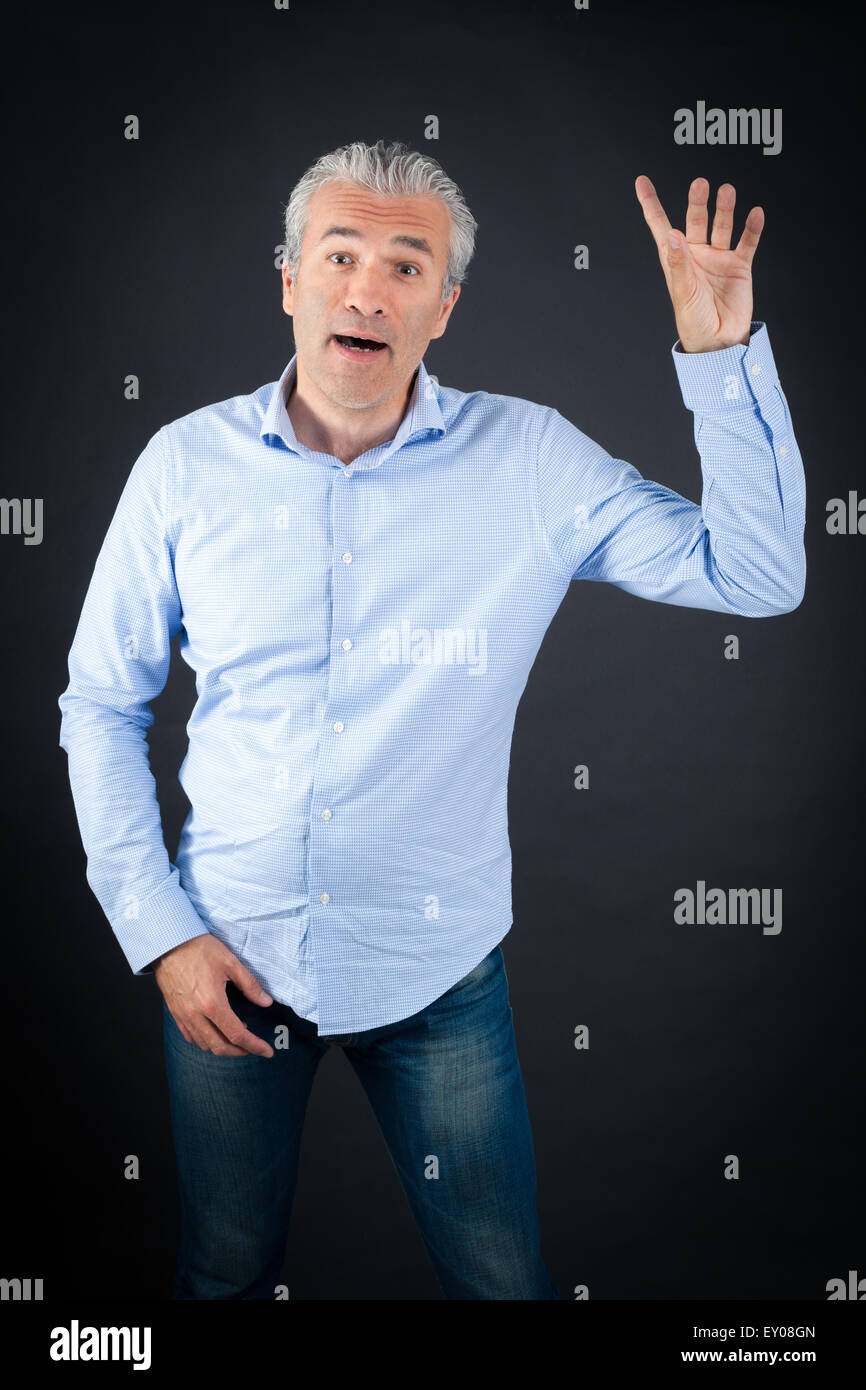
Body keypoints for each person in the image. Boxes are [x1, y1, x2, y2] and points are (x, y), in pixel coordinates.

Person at [58, 139, 806, 1300]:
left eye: (406, 267)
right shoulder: (180, 467)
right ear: (289, 281)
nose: (366, 288)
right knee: (222, 1271)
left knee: (502, 1280)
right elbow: (102, 703)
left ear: (444, 307)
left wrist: (715, 354)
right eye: (339, 254)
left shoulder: (531, 460)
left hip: (439, 976)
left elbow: (753, 574)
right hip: (223, 957)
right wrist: (157, 931)